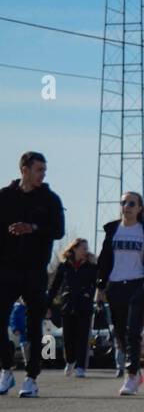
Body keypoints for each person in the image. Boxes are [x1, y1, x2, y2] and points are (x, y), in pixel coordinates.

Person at [0, 151, 65, 397]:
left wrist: (33, 228)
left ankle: (31, 377)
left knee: (33, 325)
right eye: (39, 170)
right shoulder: (4, 197)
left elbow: (58, 231)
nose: (43, 174)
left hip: (35, 270)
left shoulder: (50, 199)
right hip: (5, 269)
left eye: (44, 170)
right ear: (24, 170)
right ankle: (6, 369)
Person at [95, 191, 144, 395]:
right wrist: (100, 286)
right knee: (121, 332)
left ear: (140, 208)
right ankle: (136, 371)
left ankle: (131, 376)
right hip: (115, 286)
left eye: (132, 203)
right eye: (123, 202)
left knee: (133, 331)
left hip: (137, 284)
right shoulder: (112, 229)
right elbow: (104, 259)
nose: (127, 206)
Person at [47, 237, 96, 378]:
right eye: (83, 248)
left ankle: (81, 367)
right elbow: (54, 287)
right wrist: (47, 304)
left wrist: (90, 295)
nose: (86, 251)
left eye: (87, 248)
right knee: (68, 337)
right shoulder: (64, 266)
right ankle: (70, 361)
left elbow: (98, 283)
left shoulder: (91, 266)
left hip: (84, 306)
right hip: (68, 305)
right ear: (74, 248)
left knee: (82, 337)